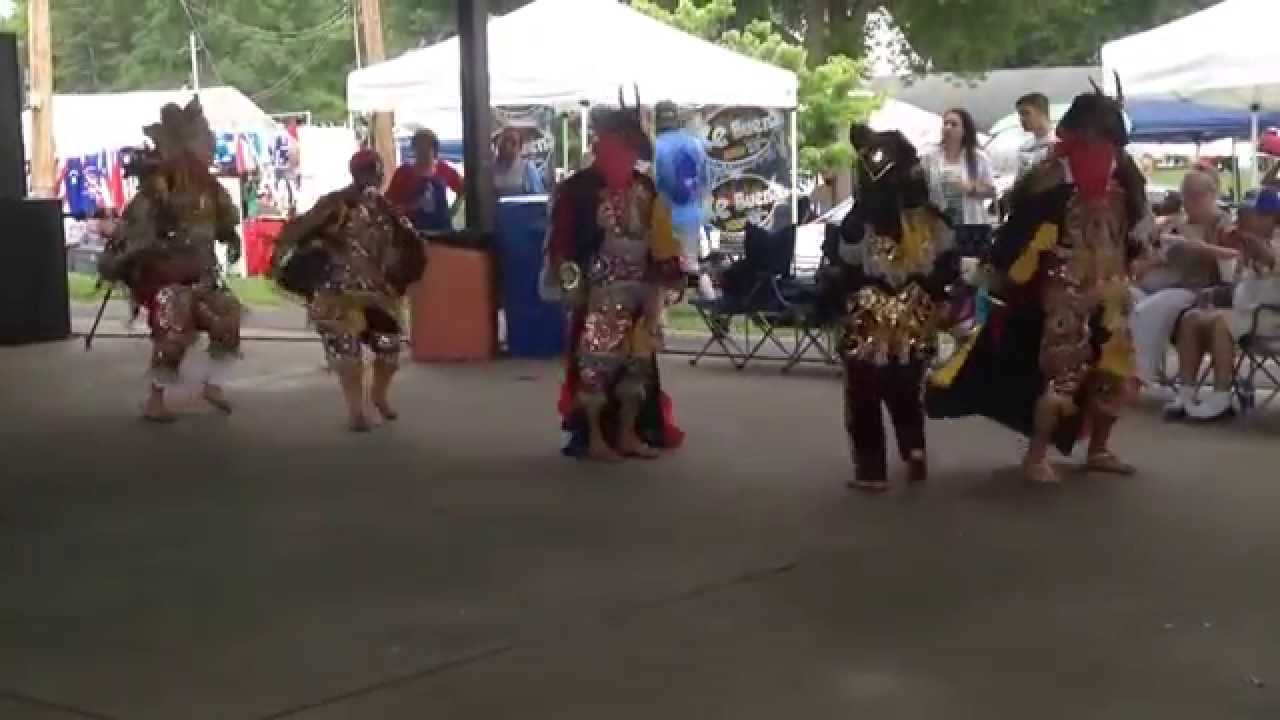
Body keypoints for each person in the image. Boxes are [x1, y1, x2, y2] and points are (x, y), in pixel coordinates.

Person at [927, 80, 1150, 484]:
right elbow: (1019, 230)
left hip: (1111, 283)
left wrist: (1136, 253)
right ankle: (1036, 456)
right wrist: (1004, 271)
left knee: (1114, 368)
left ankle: (1099, 448)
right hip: (1062, 287)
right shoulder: (1052, 175)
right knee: (1062, 370)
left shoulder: (1125, 174)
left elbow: (1137, 227)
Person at [547, 96, 686, 461]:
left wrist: (664, 277)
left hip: (640, 289)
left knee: (636, 367)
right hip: (600, 291)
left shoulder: (644, 187)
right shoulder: (578, 189)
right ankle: (593, 437)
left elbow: (660, 237)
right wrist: (574, 289)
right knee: (595, 365)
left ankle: (627, 433)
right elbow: (562, 245)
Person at [830, 123, 959, 493]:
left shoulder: (859, 222)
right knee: (905, 389)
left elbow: (846, 265)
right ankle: (914, 450)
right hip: (917, 317)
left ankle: (872, 471)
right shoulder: (933, 221)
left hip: (867, 317)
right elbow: (948, 264)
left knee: (864, 391)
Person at [97, 98, 243, 423]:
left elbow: (224, 224)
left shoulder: (211, 187)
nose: (205, 148)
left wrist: (230, 236)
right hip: (163, 275)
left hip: (201, 272)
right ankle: (155, 399)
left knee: (227, 317)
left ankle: (213, 384)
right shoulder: (159, 187)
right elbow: (136, 230)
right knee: (174, 324)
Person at [270, 150, 426, 431]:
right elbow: (296, 231)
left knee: (389, 347)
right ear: (356, 173)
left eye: (375, 171)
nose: (373, 176)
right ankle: (356, 410)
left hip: (378, 293)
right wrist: (304, 255)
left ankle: (378, 396)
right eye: (367, 170)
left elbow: (412, 245)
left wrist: (403, 272)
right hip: (336, 292)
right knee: (347, 349)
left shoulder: (385, 209)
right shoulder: (335, 204)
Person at [1163, 189, 1280, 420]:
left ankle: (1221, 396)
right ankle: (1186, 393)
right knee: (1191, 318)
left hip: (1270, 316)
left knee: (1220, 323)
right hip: (1247, 312)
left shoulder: (1272, 241)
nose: (1244, 218)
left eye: (1250, 214)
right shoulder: (1249, 240)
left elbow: (1272, 261)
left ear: (1270, 216)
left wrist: (1261, 251)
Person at [652, 100, 714, 300]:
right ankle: (714, 309)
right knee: (692, 268)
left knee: (659, 271)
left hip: (663, 217)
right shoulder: (696, 144)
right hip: (692, 215)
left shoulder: (655, 148)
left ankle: (658, 322)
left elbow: (651, 183)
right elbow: (705, 181)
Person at [924, 108, 996, 257]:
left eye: (954, 124)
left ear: (965, 130)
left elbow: (991, 191)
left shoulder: (977, 157)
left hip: (972, 225)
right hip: (939, 225)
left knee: (969, 270)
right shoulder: (931, 157)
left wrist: (970, 187)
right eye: (946, 123)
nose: (948, 128)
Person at [386, 128, 464, 233]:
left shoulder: (444, 169)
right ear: (414, 149)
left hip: (441, 234)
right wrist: (412, 207)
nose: (422, 151)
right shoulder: (403, 172)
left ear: (434, 149)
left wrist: (451, 212)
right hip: (411, 234)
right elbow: (389, 206)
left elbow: (463, 190)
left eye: (426, 147)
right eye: (418, 147)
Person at [492, 126, 545, 197]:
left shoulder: (527, 168)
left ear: (519, 148)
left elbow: (538, 197)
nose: (508, 146)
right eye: (505, 141)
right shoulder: (490, 169)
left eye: (513, 143)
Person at [1016, 92, 1055, 178]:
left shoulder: (1059, 143)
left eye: (1026, 113)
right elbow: (1020, 180)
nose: (1021, 119)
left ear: (1042, 113)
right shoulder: (1024, 148)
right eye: (1020, 115)